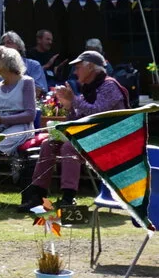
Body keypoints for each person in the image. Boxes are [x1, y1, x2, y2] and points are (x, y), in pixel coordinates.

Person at [27, 51, 128, 202]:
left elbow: (97, 112)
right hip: (90, 137)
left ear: (91, 67)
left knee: (70, 146)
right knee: (48, 144)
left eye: (78, 67)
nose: (75, 72)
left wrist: (73, 100)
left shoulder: (109, 86)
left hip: (111, 139)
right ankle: (37, 196)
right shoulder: (88, 88)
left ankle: (68, 197)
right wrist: (69, 106)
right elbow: (77, 119)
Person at [0, 46, 39, 189]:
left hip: (22, 128)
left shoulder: (26, 82)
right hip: (0, 127)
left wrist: (2, 120)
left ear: (9, 61)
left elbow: (30, 114)